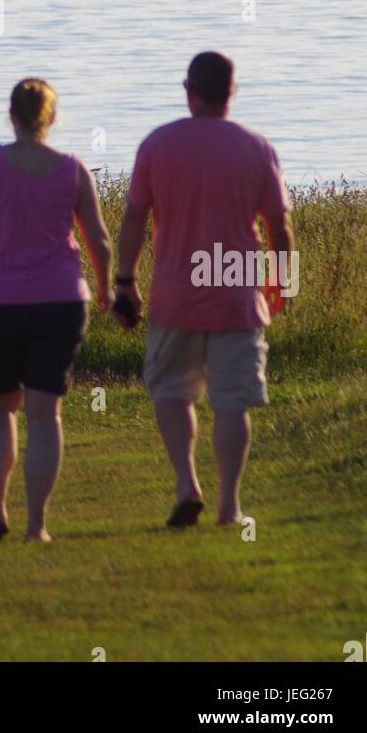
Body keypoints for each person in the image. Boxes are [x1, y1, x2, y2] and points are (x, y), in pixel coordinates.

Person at [116, 51, 294, 528]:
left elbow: (134, 217)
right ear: (232, 93)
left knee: (172, 391)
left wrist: (124, 279)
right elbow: (278, 225)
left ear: (188, 90)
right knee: (232, 400)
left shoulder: (158, 144)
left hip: (176, 289)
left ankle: (185, 483)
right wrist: (284, 282)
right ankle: (229, 505)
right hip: (236, 288)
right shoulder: (256, 148)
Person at [0, 78, 113, 543]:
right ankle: (36, 524)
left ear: (11, 116)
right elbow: (98, 238)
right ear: (51, 118)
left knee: (0, 408)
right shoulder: (72, 169)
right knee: (44, 414)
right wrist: (106, 290)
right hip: (60, 300)